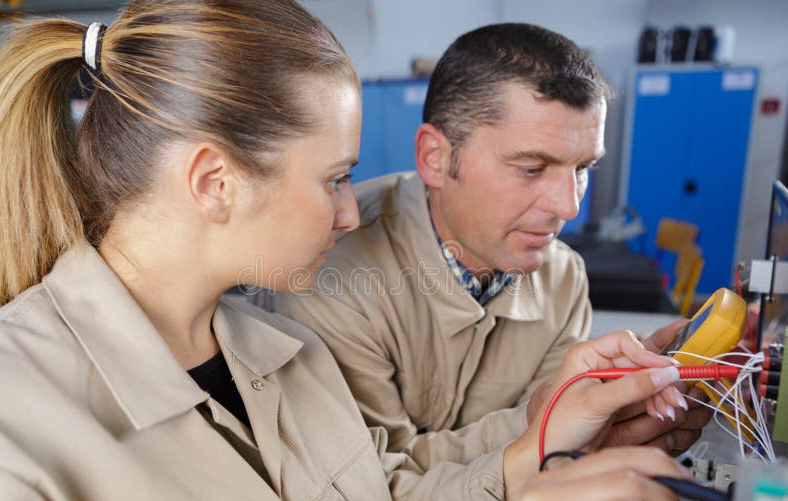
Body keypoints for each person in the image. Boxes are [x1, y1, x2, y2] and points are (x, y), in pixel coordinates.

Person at [0, 3, 690, 501]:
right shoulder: (9, 426)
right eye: (334, 179)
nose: (350, 213)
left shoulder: (285, 356)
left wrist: (537, 454)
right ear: (215, 182)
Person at [271, 23, 710, 470]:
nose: (569, 206)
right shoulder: (329, 269)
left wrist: (608, 412)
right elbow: (372, 482)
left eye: (582, 168)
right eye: (533, 168)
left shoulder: (562, 278)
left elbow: (554, 458)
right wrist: (550, 417)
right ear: (434, 158)